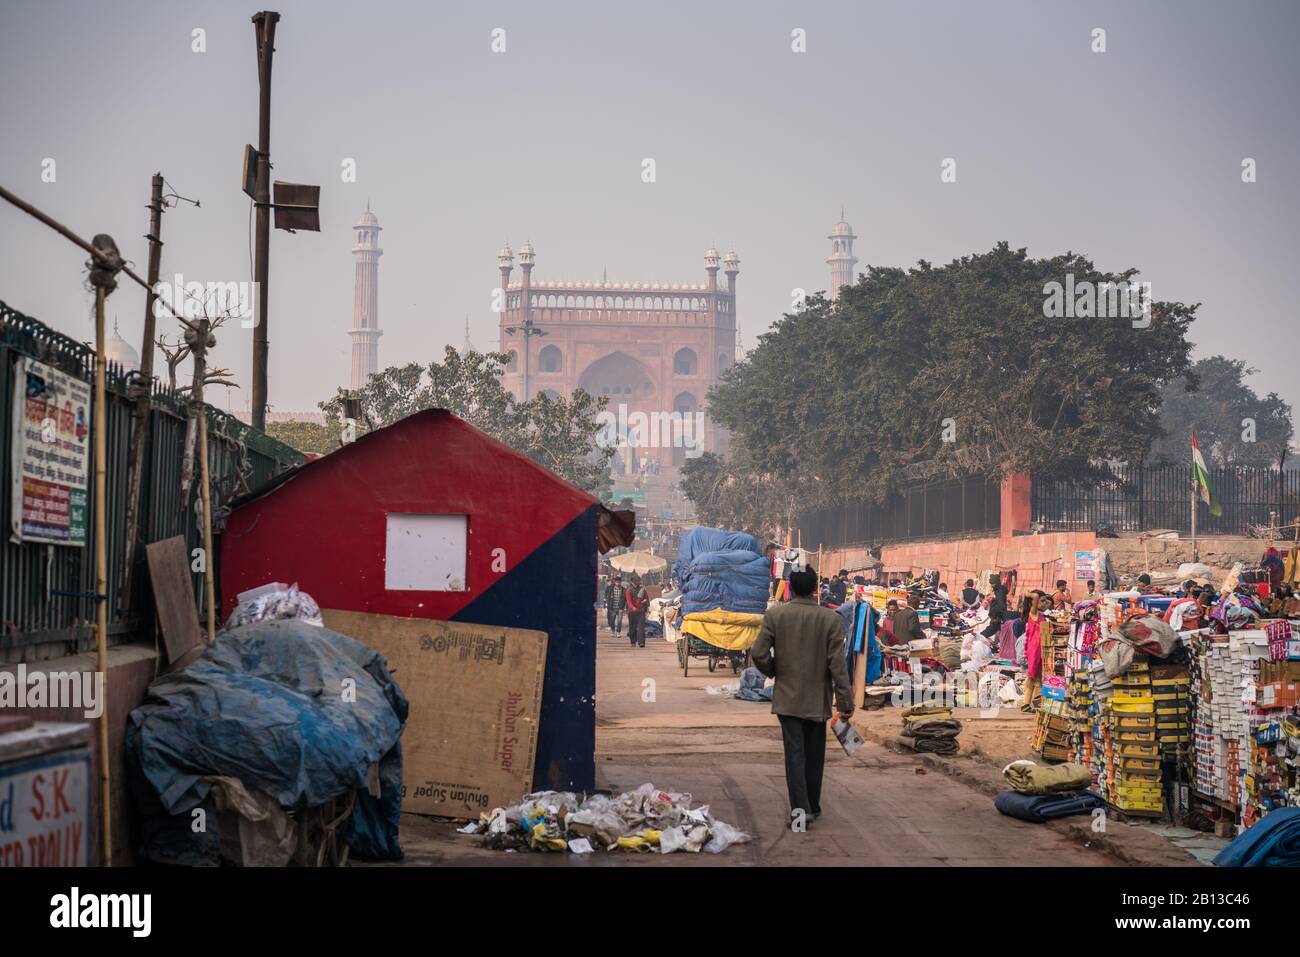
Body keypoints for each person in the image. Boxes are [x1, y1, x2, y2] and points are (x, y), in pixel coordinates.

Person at [751, 567, 853, 829]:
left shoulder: (776, 616)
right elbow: (837, 666)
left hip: (788, 699)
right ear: (815, 588)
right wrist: (845, 702)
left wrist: (775, 670)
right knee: (815, 755)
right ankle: (813, 806)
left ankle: (801, 811)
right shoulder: (830, 619)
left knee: (794, 754)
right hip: (817, 701)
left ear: (791, 588)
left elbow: (758, 653)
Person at [1021, 592, 1047, 712]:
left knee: (1036, 676)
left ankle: (1028, 704)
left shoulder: (1040, 614)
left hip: (1038, 647)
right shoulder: (1034, 613)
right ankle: (1031, 704)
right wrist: (1027, 594)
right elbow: (1035, 596)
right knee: (1033, 676)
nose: (1044, 603)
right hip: (1035, 648)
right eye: (1042, 601)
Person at [625, 575, 648, 647]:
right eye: (637, 581)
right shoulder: (629, 590)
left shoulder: (642, 589)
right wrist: (632, 607)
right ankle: (633, 641)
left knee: (641, 626)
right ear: (633, 582)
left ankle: (641, 642)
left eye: (639, 581)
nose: (638, 582)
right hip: (632, 611)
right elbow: (628, 601)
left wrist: (645, 601)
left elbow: (646, 598)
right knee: (632, 627)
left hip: (641, 610)